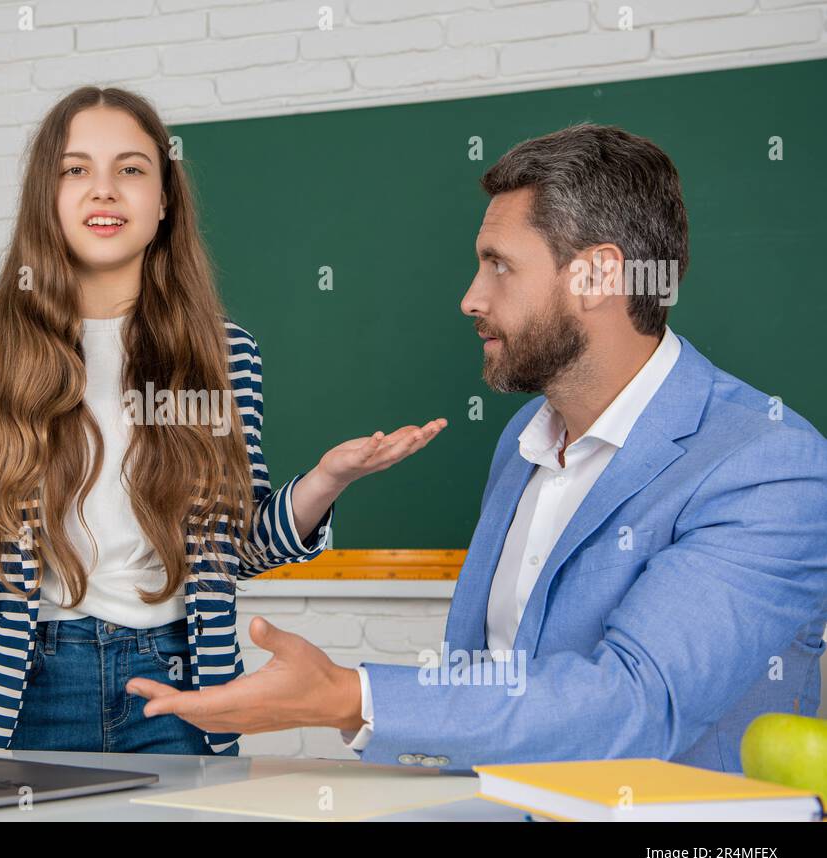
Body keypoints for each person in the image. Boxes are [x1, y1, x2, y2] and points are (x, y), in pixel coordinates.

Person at [128, 124, 827, 773]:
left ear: (598, 275)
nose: (469, 297)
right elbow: (485, 674)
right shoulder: (522, 443)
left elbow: (635, 703)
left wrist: (350, 695)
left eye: (499, 266)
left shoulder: (767, 467)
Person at [0, 85, 446, 755]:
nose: (103, 190)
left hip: (177, 684)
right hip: (20, 684)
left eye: (130, 169)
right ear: (47, 196)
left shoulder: (225, 354)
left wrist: (325, 481)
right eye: (76, 170)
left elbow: (240, 548)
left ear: (163, 201)